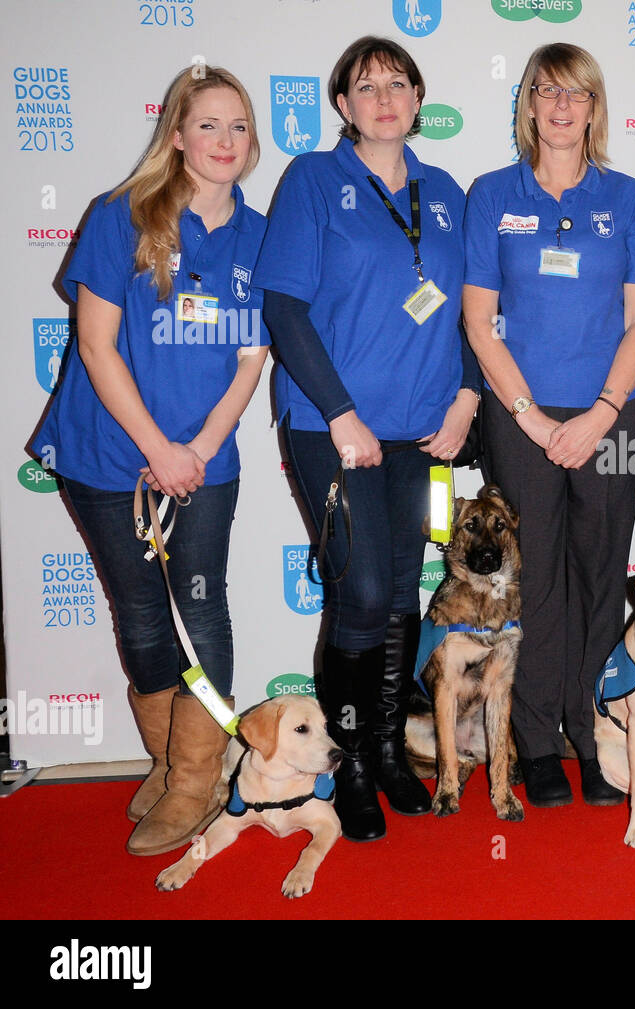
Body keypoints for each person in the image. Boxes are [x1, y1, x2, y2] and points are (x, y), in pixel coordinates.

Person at [30, 67, 269, 855]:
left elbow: (250, 358)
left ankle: (195, 780)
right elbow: (96, 347)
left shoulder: (262, 234)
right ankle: (170, 757)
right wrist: (156, 449)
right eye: (208, 125)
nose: (225, 141)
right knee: (139, 614)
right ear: (176, 134)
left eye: (238, 126)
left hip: (203, 461)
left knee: (201, 609)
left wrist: (195, 449)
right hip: (107, 453)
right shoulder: (120, 216)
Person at [257, 36, 479, 841]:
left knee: (399, 590)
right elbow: (283, 307)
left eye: (398, 83)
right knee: (366, 597)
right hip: (331, 424)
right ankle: (346, 760)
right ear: (343, 106)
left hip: (423, 427)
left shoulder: (446, 190)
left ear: (418, 98)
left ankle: (387, 750)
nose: (383, 96)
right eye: (365, 86)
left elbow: (470, 311)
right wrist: (342, 412)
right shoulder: (314, 180)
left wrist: (467, 396)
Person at [463, 43, 635, 808]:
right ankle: (537, 741)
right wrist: (535, 420)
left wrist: (603, 412)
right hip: (521, 417)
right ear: (528, 104)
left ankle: (593, 731)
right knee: (536, 578)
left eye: (575, 93)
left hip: (617, 412)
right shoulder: (492, 194)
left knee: (601, 575)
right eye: (545, 91)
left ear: (594, 106)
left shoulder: (631, 197)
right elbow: (481, 326)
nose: (560, 106)